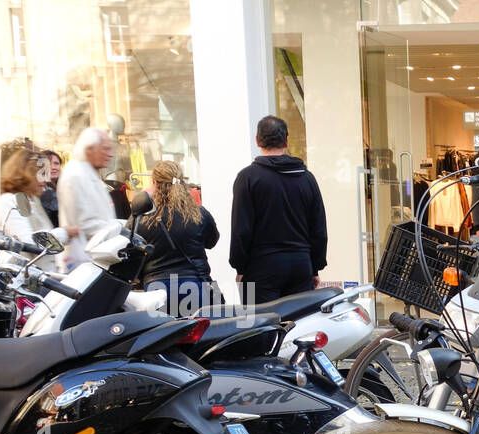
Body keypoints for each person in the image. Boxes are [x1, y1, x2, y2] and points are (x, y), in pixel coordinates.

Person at [230, 115, 328, 304]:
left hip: (261, 267)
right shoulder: (307, 178)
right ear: (287, 141)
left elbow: (241, 229)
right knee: (299, 326)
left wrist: (239, 267)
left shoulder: (247, 178)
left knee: (262, 327)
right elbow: (318, 229)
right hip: (300, 264)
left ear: (257, 141)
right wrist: (314, 267)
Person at [135, 160, 222, 317]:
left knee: (162, 339)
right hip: (196, 284)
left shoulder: (142, 218)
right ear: (182, 181)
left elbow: (132, 251)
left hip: (157, 290)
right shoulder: (199, 214)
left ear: (154, 183)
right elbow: (212, 242)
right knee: (206, 338)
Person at [0, 147, 78, 271]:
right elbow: (28, 244)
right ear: (25, 175)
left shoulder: (32, 200)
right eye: (41, 174)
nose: (46, 180)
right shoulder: (10, 201)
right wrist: (64, 233)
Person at [58, 127, 118, 269]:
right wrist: (119, 228)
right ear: (89, 149)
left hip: (96, 258)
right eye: (105, 149)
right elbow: (84, 224)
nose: (110, 155)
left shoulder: (88, 173)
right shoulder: (75, 175)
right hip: (84, 261)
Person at [39, 150, 62, 227]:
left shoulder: (61, 187)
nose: (53, 167)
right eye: (48, 164)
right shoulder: (40, 190)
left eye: (56, 164)